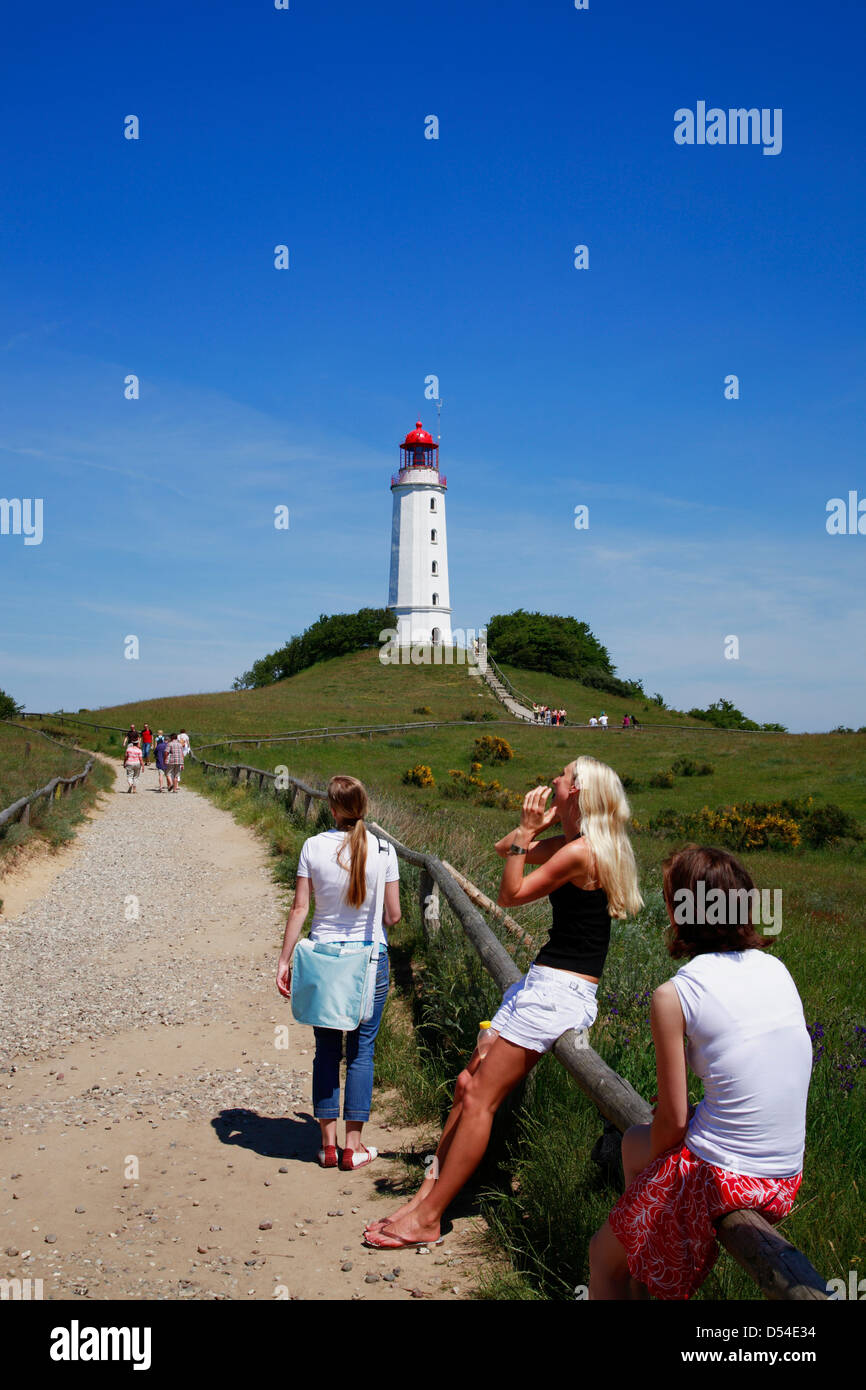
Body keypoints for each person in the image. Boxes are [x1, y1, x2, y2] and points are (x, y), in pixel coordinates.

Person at [364, 755, 643, 1250]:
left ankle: (431, 1215)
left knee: (479, 1097)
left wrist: (526, 827)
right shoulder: (577, 843)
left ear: (578, 792)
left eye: (562, 776)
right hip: (542, 983)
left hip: (558, 993)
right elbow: (505, 848)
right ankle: (427, 1193)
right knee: (467, 1082)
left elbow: (511, 893)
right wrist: (535, 826)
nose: (553, 779)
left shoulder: (583, 854)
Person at [589, 846, 811, 1301]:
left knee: (600, 1258)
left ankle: (637, 1262)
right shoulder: (778, 969)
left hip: (723, 1177)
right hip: (785, 1176)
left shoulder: (676, 995)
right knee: (634, 1142)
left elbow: (672, 1125)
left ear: (679, 910)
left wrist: (669, 1139)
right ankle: (644, 1257)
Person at [276, 775, 401, 1170]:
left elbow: (299, 909)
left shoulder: (312, 846)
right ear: (364, 807)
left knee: (326, 1050)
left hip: (324, 959)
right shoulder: (383, 848)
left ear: (332, 809)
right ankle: (354, 1146)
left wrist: (284, 960)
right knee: (363, 1051)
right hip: (369, 960)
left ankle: (327, 1146)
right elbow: (393, 916)